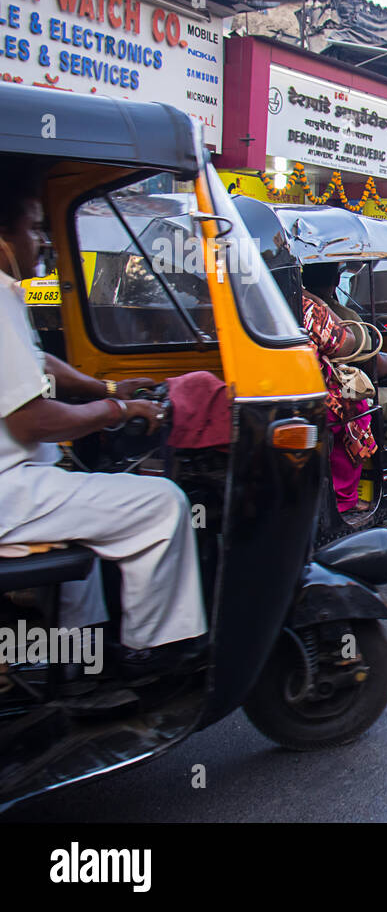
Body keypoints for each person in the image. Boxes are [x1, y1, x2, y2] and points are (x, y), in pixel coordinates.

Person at [0, 160, 206, 679]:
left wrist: (109, 388)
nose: (42, 242)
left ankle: (76, 664)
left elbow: (38, 364)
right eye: (34, 227)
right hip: (10, 490)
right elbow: (34, 421)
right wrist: (118, 410)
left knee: (89, 511)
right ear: (3, 236)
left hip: (21, 481)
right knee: (161, 504)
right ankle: (151, 657)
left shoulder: (8, 294)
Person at [300, 264, 387, 492]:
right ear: (337, 280)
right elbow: (377, 366)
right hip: (339, 394)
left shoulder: (289, 308)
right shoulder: (339, 317)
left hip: (308, 394)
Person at [300, 284, 377, 512]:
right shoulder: (306, 308)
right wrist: (316, 298)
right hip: (307, 396)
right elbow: (346, 343)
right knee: (357, 409)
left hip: (257, 391)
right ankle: (343, 498)